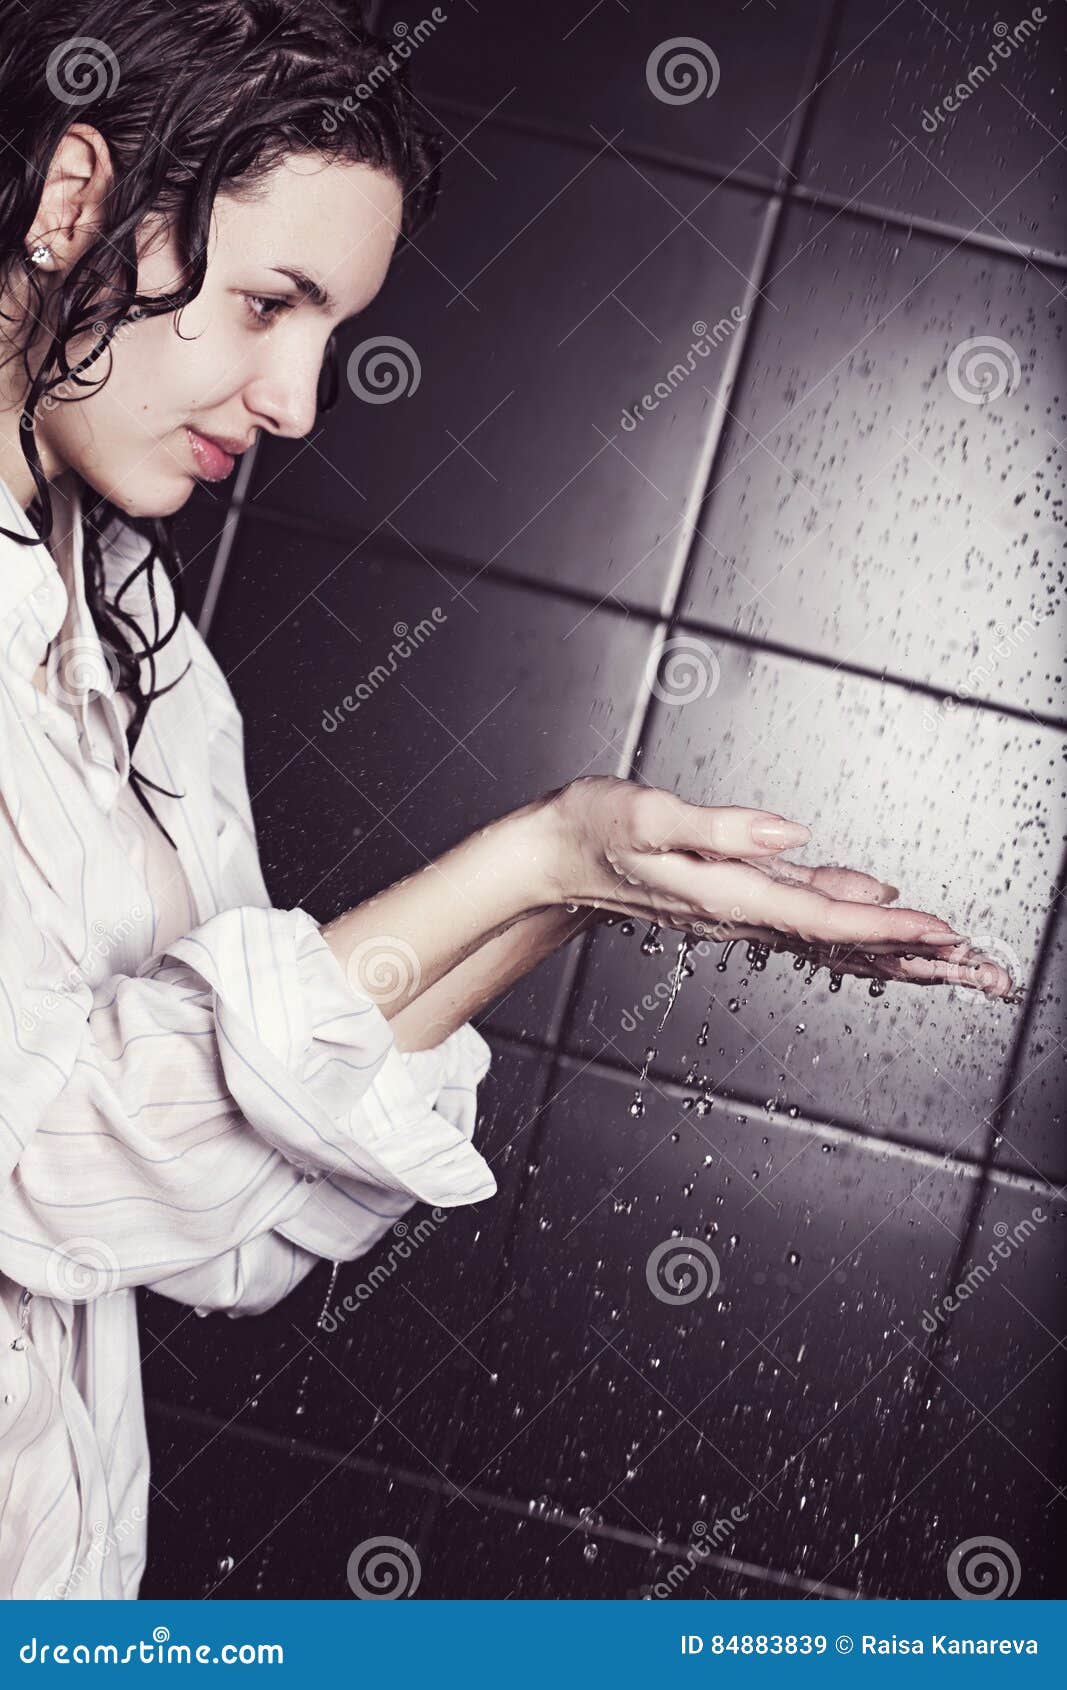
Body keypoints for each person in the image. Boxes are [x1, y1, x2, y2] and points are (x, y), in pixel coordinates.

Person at [0, 0, 1010, 1602]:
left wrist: (568, 888)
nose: (298, 403)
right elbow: (46, 1156)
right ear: (73, 206)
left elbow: (212, 1221)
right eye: (270, 301)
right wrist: (537, 855)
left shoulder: (141, 652)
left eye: (330, 330)